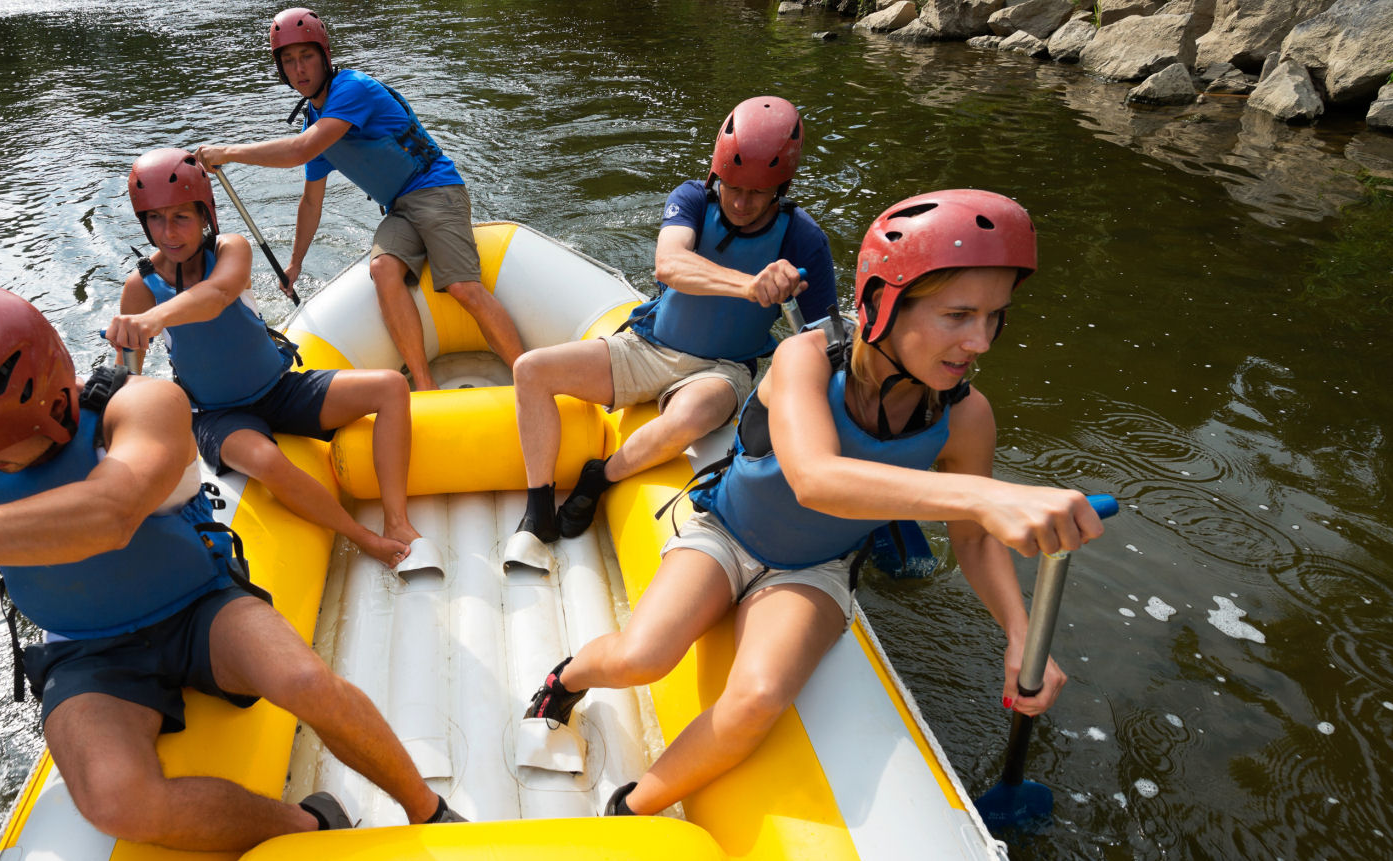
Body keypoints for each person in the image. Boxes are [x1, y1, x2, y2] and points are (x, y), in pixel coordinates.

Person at [0, 284, 462, 845]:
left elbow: (108, 516)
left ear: (47, 399)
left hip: (199, 608)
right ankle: (308, 826)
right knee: (116, 802)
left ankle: (428, 812)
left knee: (306, 681)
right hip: (86, 654)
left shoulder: (143, 405)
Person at [517, 190, 1105, 817]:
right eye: (959, 315)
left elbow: (975, 540)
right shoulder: (804, 358)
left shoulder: (966, 417)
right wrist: (986, 495)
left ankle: (630, 808)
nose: (981, 341)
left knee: (758, 699)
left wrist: (1019, 632)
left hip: (817, 571)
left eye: (994, 317)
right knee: (644, 657)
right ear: (883, 304)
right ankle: (565, 679)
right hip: (728, 535)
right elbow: (815, 478)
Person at [509, 96, 838, 550]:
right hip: (649, 346)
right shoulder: (691, 199)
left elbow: (824, 340)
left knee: (690, 416)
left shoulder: (804, 239)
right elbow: (669, 263)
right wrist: (750, 285)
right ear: (716, 174)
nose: (741, 202)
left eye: (757, 192)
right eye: (732, 186)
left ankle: (597, 479)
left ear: (780, 188)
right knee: (530, 369)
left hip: (723, 368)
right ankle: (538, 507)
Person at [110, 147, 424, 569]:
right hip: (216, 415)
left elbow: (218, 296)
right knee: (263, 460)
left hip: (280, 388)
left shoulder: (230, 249)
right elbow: (126, 379)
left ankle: (397, 520)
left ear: (205, 216)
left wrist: (152, 319)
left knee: (390, 386)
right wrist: (128, 354)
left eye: (181, 217)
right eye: (155, 218)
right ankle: (363, 538)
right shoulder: (140, 287)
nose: (168, 232)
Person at [195, 6, 523, 392]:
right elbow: (311, 202)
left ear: (324, 56)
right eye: (289, 61)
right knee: (383, 268)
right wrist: (296, 263)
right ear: (282, 70)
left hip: (436, 190)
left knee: (462, 286)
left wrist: (229, 152)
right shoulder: (312, 123)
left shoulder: (351, 90)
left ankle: (526, 371)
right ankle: (424, 384)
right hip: (400, 207)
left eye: (307, 57)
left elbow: (299, 150)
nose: (300, 69)